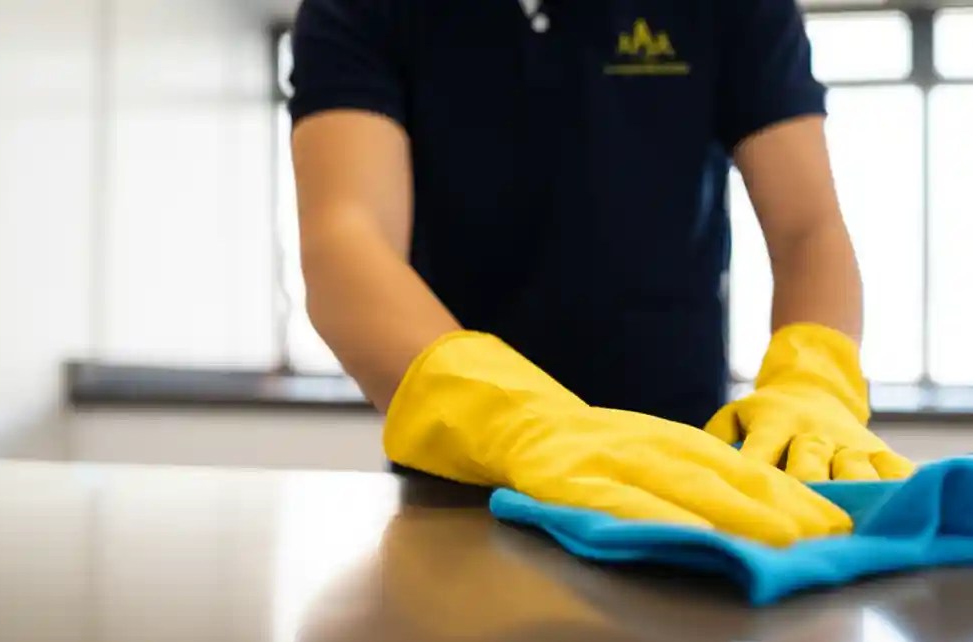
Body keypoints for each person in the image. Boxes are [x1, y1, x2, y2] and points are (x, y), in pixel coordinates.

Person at [289, 0, 915, 546]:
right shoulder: (362, 7)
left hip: (693, 476)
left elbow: (808, 229)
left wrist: (813, 383)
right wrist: (526, 424)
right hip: (467, 479)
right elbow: (349, 241)